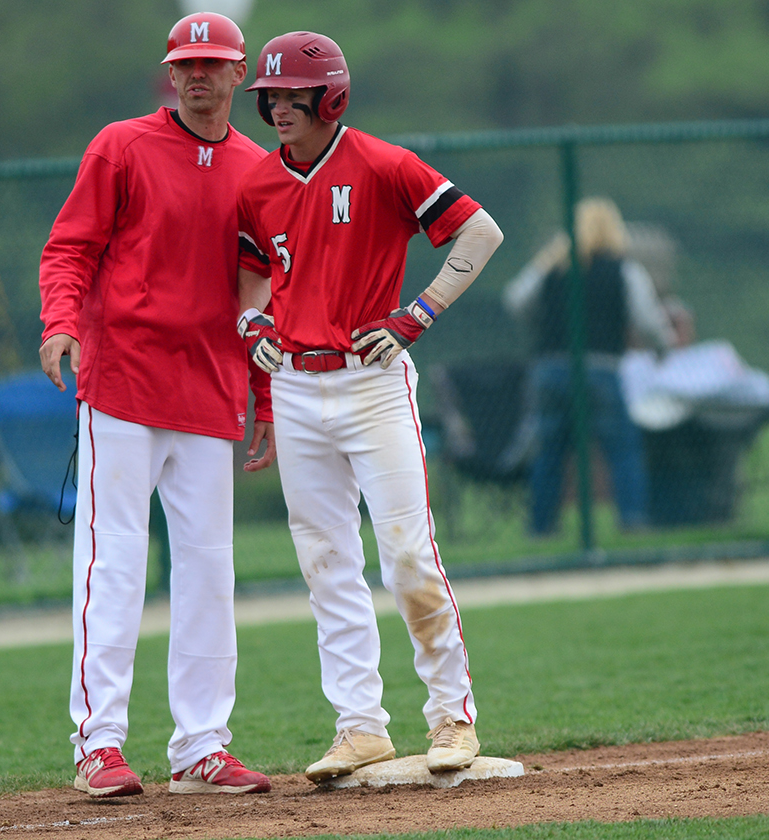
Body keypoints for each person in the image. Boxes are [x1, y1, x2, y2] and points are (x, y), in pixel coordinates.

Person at [233, 31, 505, 783]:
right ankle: (360, 727)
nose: (279, 108)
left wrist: (418, 311)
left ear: (332, 98)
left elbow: (480, 232)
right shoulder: (257, 184)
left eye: (293, 96)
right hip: (294, 382)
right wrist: (251, 323)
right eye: (270, 97)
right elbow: (252, 278)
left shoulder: (384, 163)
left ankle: (453, 717)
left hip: (371, 381)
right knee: (325, 563)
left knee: (409, 554)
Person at [36, 12, 274, 798]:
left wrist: (263, 398)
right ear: (170, 75)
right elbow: (70, 246)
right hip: (125, 384)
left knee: (209, 572)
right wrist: (61, 323)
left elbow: (262, 293)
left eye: (213, 62)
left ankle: (201, 745)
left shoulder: (258, 169)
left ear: (240, 74)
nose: (198, 73)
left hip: (210, 390)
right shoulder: (123, 145)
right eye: (185, 63)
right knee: (114, 566)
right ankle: (98, 744)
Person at [504, 198, 676, 535]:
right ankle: (633, 520)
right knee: (623, 448)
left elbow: (515, 299)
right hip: (602, 368)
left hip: (551, 368)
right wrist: (663, 347)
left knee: (549, 451)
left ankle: (541, 527)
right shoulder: (623, 270)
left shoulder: (550, 267)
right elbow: (647, 318)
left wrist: (543, 322)